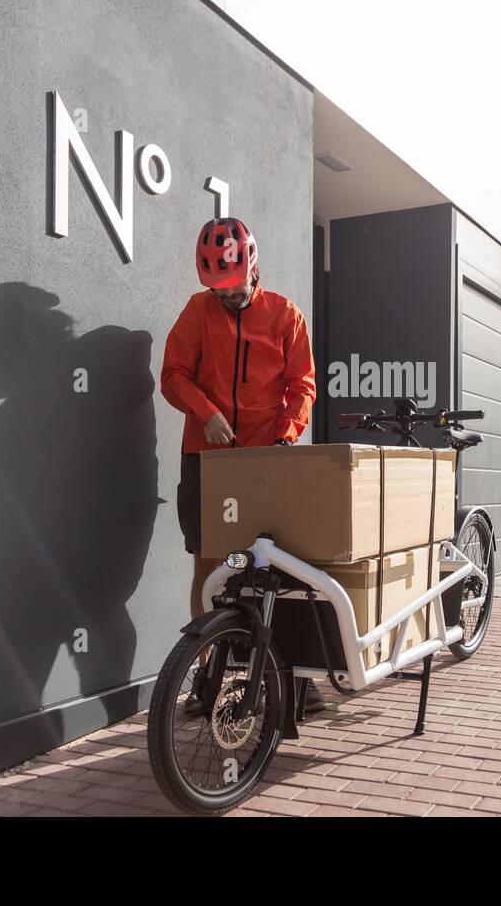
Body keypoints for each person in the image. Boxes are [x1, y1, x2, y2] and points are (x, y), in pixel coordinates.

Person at [160, 216, 324, 711]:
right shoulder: (197, 311)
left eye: (232, 287)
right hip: (206, 459)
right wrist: (204, 412)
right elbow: (172, 375)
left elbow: (303, 387)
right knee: (208, 564)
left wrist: (285, 436)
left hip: (264, 459)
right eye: (217, 288)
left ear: (252, 266)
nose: (226, 296)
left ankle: (293, 673)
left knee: (276, 565)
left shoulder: (285, 316)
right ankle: (208, 674)